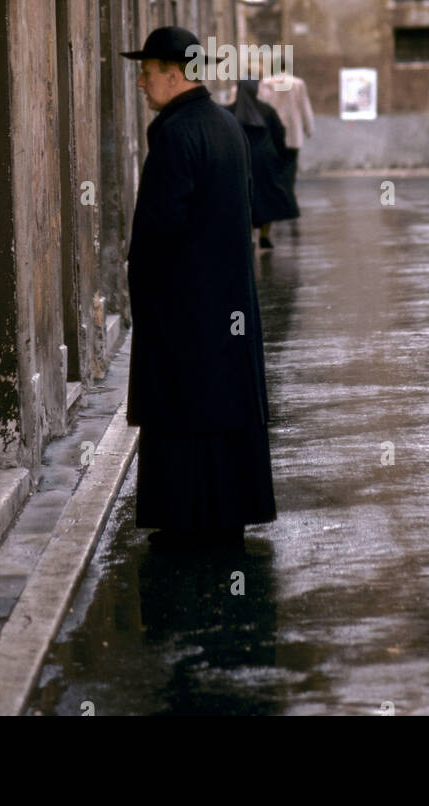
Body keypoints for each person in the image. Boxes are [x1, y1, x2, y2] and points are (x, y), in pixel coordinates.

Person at [121, 27, 277, 549]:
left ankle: (188, 518)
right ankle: (225, 511)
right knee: (222, 402)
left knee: (185, 405)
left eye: (147, 73)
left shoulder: (176, 133)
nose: (141, 83)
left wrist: (144, 286)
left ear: (174, 74)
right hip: (226, 297)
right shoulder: (226, 125)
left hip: (184, 301)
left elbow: (161, 226)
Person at [227, 79, 299, 249]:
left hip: (240, 160)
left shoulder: (229, 112)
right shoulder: (267, 111)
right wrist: (280, 155)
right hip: (265, 159)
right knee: (267, 197)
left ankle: (250, 232)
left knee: (246, 197)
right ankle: (265, 234)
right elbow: (279, 134)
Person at [257, 72, 314, 197]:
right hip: (293, 132)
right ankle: (288, 193)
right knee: (290, 165)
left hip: (272, 132)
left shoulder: (266, 83)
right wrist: (309, 128)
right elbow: (305, 107)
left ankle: (277, 195)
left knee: (274, 166)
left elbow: (260, 106)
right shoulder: (298, 84)